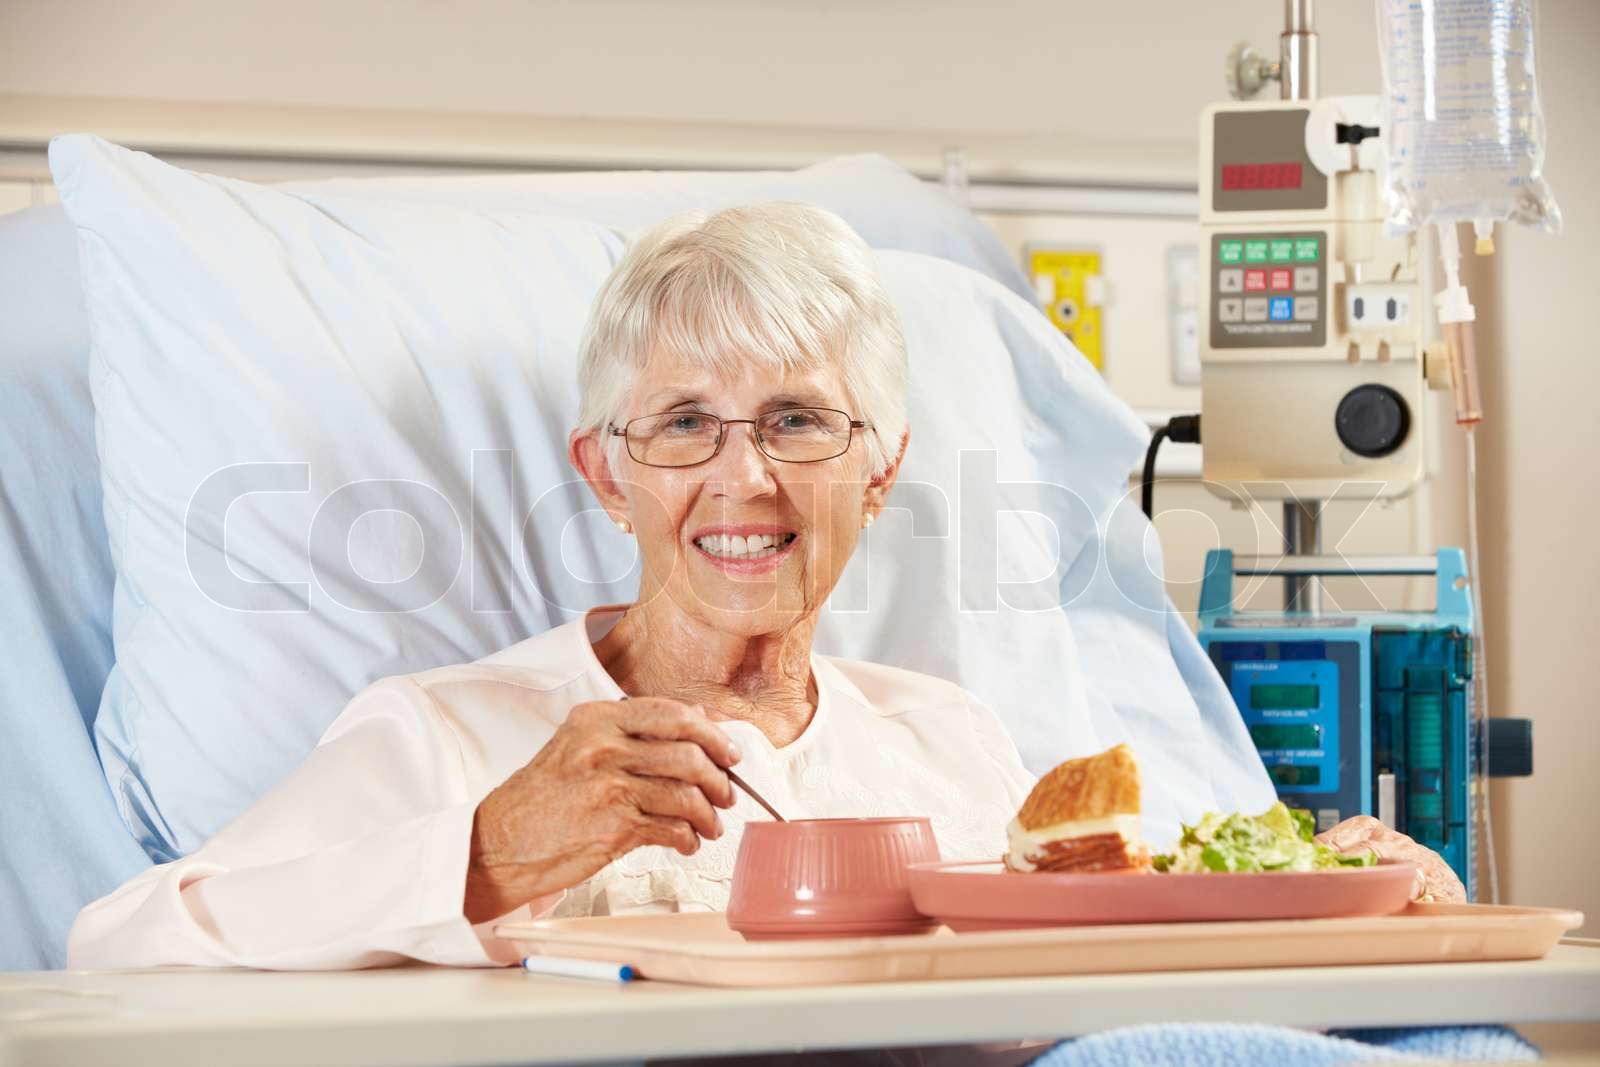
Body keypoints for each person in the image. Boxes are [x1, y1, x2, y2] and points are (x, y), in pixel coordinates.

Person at [68, 203, 1459, 971]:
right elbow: (122, 948)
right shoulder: (449, 736)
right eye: (682, 425)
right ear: (608, 474)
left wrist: (1335, 893)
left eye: (799, 420)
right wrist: (485, 853)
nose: (744, 479)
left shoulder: (950, 743)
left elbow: (1096, 961)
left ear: (881, 470)